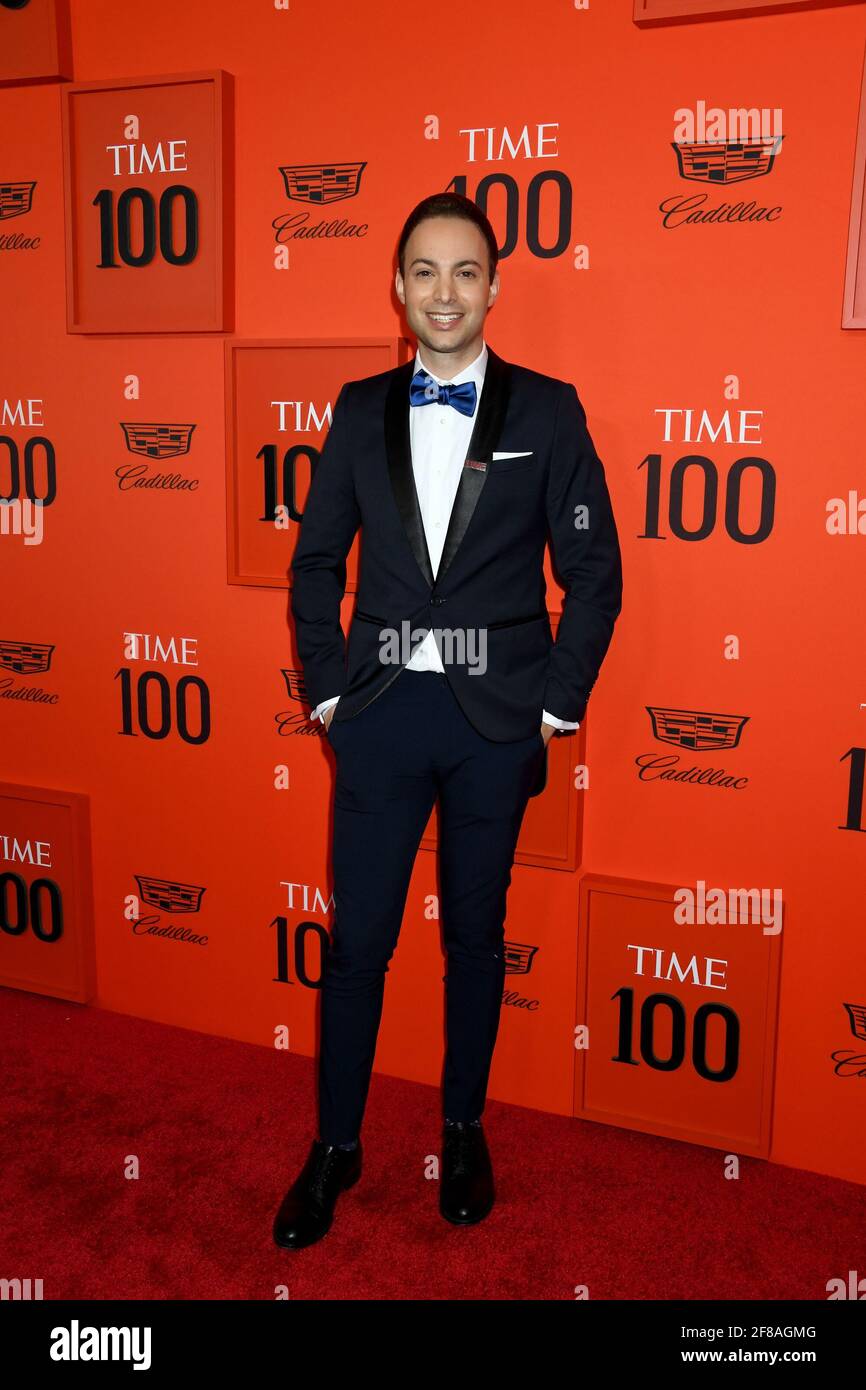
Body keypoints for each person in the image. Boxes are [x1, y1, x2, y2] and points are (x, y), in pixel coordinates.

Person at [273, 191, 622, 1249]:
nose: (442, 292)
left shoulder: (550, 410)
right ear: (396, 286)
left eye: (463, 271)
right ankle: (336, 1145)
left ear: (493, 287)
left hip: (491, 721)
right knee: (358, 944)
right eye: (422, 271)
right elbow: (316, 562)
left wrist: (552, 707)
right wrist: (329, 694)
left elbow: (594, 573)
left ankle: (462, 1131)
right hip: (377, 715)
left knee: (475, 939)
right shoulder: (355, 406)